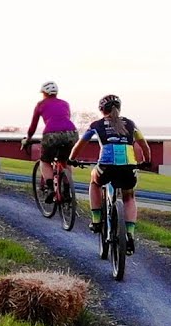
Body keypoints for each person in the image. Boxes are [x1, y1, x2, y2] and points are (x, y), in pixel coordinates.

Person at [68, 94, 152, 254]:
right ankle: (130, 234)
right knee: (129, 197)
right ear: (119, 109)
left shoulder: (97, 125)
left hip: (106, 166)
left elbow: (80, 144)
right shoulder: (130, 124)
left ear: (101, 110)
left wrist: (72, 159)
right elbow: (144, 146)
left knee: (94, 182)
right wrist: (147, 161)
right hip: (128, 167)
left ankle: (96, 220)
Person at [21, 81, 78, 203]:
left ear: (44, 93)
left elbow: (33, 126)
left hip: (51, 134)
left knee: (45, 161)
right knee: (65, 160)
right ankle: (67, 191)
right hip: (71, 133)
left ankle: (51, 188)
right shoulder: (65, 103)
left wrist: (28, 139)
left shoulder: (40, 105)